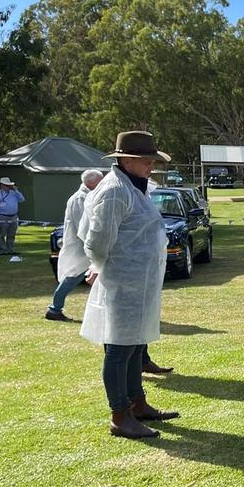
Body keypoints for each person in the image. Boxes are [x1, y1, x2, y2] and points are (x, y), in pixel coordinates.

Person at [80, 131, 179, 440]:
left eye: (152, 160)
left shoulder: (133, 186)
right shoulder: (114, 191)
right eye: (146, 160)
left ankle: (137, 403)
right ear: (126, 161)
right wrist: (100, 267)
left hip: (139, 283)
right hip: (123, 284)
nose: (152, 165)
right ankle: (120, 415)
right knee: (119, 349)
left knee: (135, 345)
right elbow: (97, 241)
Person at [45, 169, 104, 321]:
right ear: (91, 183)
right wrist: (93, 243)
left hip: (86, 245)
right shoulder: (80, 198)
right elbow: (82, 225)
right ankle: (54, 309)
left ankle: (56, 308)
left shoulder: (89, 196)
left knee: (88, 276)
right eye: (100, 181)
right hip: (81, 246)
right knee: (73, 277)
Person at [0, 176, 26, 255]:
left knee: (12, 234)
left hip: (13, 216)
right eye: (6, 185)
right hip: (2, 216)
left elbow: (22, 199)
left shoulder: (14, 193)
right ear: (2, 185)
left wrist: (16, 190)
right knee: (2, 234)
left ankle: (10, 250)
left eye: (9, 185)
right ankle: (2, 250)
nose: (8, 187)